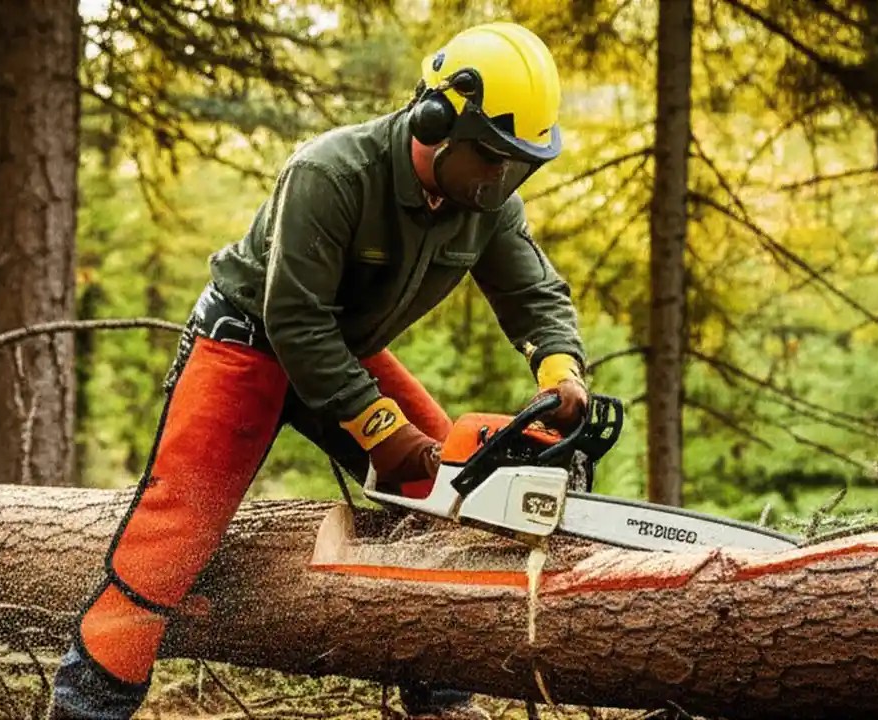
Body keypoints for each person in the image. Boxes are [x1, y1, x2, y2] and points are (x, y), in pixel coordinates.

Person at [47, 21, 589, 720]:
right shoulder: (332, 173)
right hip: (250, 341)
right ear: (436, 122)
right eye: (489, 157)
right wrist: (379, 430)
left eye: (515, 164)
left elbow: (534, 295)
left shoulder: (487, 207)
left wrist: (560, 370)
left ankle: (442, 694)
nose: (498, 177)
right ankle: (86, 706)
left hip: (343, 348)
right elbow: (295, 321)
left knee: (451, 491)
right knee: (174, 531)